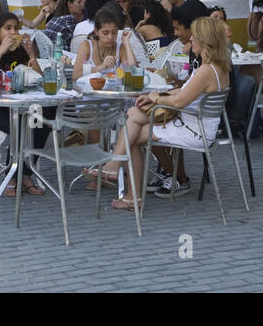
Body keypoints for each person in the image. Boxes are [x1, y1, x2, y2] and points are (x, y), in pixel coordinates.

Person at [91, 16, 231, 210]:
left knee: (132, 133)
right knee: (133, 118)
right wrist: (154, 96)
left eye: (194, 37)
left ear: (205, 40)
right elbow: (183, 92)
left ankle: (124, 183)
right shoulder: (216, 67)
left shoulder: (206, 70)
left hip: (195, 130)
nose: (191, 40)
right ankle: (120, 177)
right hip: (194, 124)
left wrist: (157, 98)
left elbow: (179, 101)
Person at [0, 11, 50, 196]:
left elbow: (40, 77)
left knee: (43, 121)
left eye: (15, 28)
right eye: (7, 28)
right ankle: (13, 176)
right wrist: (1, 50)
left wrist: (30, 52)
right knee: (22, 124)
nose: (12, 32)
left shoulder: (19, 51)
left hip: (21, 104)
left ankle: (24, 174)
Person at [74, 7, 132, 79]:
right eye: (105, 33)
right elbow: (75, 75)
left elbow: (133, 73)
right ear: (96, 31)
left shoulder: (120, 48)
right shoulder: (87, 46)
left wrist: (126, 43)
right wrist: (101, 67)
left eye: (114, 33)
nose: (110, 37)